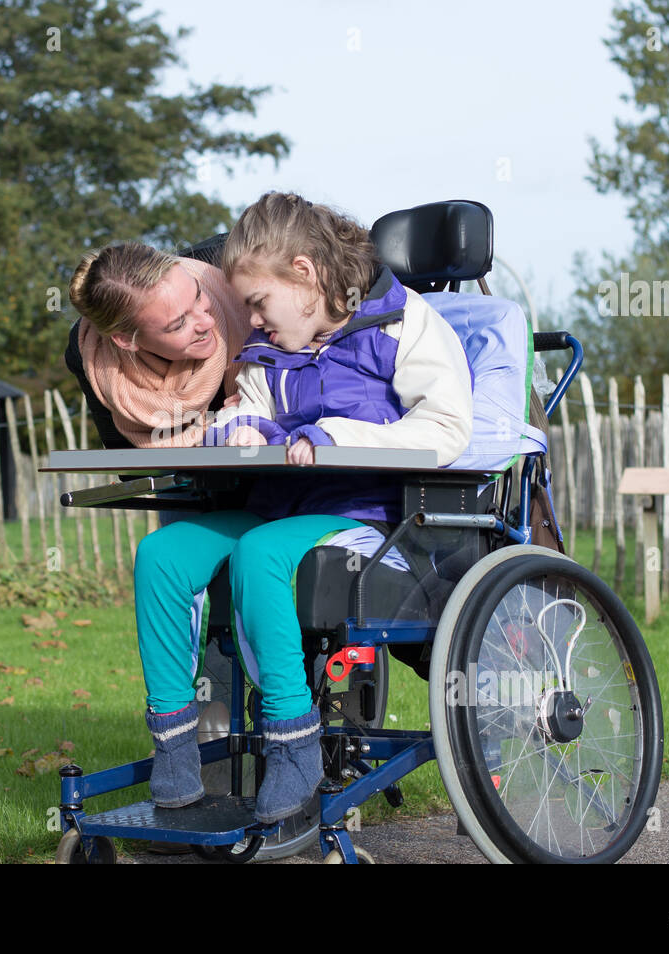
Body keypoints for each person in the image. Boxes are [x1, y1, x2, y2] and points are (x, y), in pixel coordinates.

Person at [136, 192, 475, 823]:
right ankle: (176, 754)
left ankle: (293, 746)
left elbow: (448, 429)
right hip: (277, 508)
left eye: (259, 304)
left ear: (305, 272)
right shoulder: (272, 352)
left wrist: (337, 435)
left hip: (371, 519)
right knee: (163, 553)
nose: (255, 323)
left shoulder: (405, 326)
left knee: (263, 553)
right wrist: (238, 427)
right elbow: (255, 412)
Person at [66, 240, 253, 450]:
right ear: (127, 340)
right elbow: (135, 469)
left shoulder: (238, 260)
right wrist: (224, 425)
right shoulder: (89, 353)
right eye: (179, 324)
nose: (208, 322)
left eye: (198, 295)